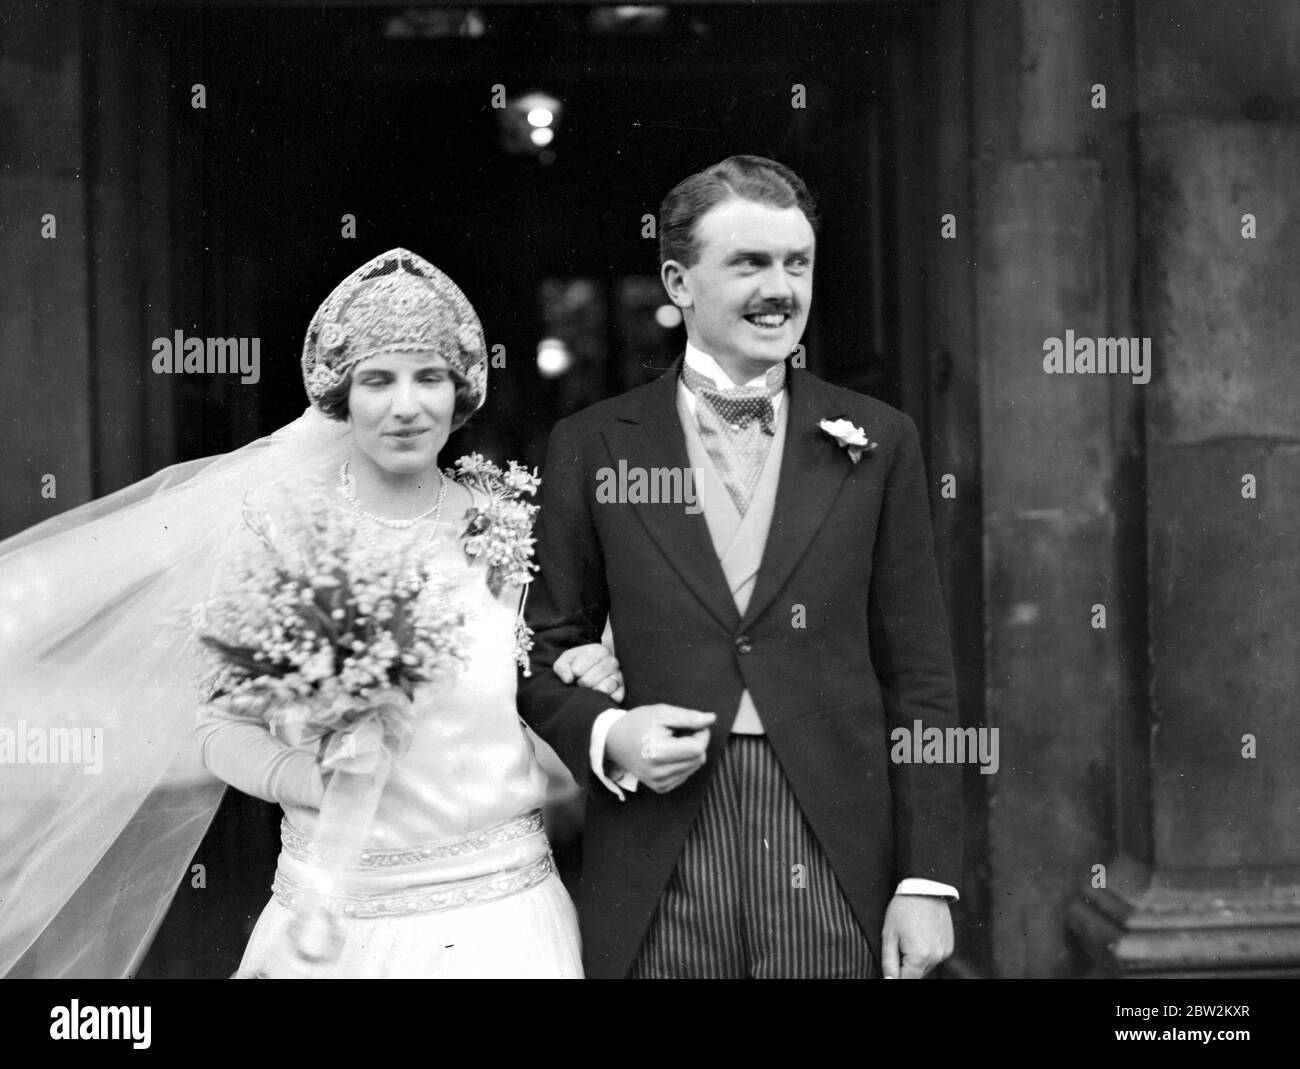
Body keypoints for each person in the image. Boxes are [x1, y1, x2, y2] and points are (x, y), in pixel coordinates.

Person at [0, 248, 619, 978]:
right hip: (333, 916)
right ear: (340, 396)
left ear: (461, 392)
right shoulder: (281, 531)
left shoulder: (511, 529)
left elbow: (543, 686)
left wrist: (594, 669)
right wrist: (316, 779)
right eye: (377, 380)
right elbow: (218, 726)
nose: (405, 405)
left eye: (429, 378)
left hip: (501, 913)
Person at [518, 156, 962, 979]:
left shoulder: (880, 437)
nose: (780, 288)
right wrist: (611, 735)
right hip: (661, 838)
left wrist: (926, 874)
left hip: (834, 834)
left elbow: (921, 670)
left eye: (797, 263)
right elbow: (540, 648)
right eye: (749, 263)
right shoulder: (594, 442)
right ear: (678, 281)